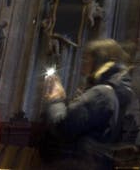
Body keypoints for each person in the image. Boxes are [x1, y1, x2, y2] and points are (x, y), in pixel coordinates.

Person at [41, 38, 132, 169]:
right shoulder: (108, 91)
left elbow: (63, 127)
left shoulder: (101, 94)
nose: (83, 65)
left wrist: (56, 99)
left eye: (87, 60)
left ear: (99, 61)